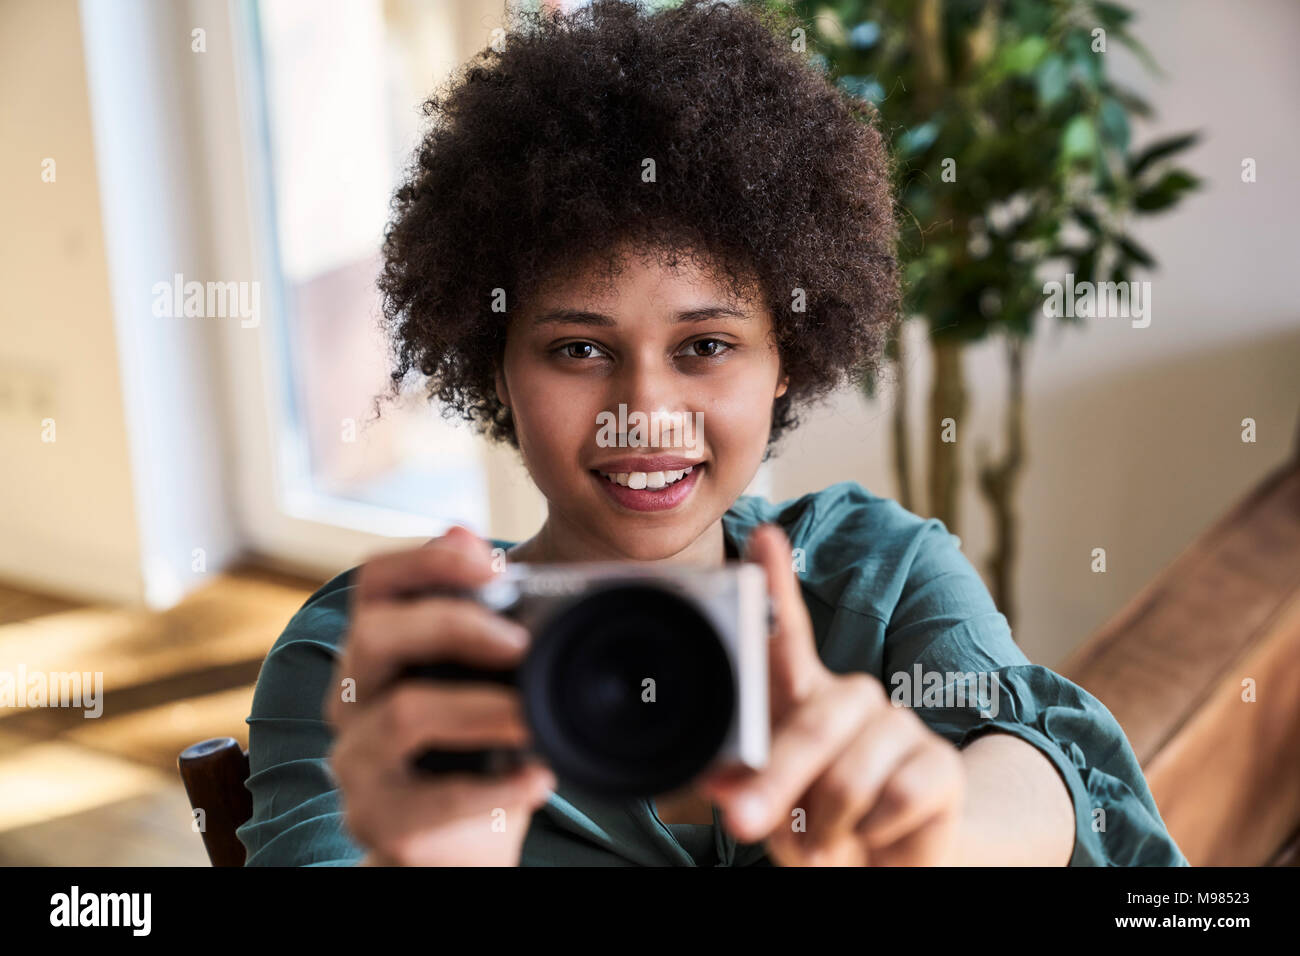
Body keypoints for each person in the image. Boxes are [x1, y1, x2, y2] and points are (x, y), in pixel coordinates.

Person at [236, 0, 1187, 867]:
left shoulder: (880, 576)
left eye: (705, 344)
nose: (644, 411)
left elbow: (1036, 762)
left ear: (787, 361)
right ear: (497, 366)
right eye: (576, 347)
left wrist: (937, 830)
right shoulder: (375, 655)